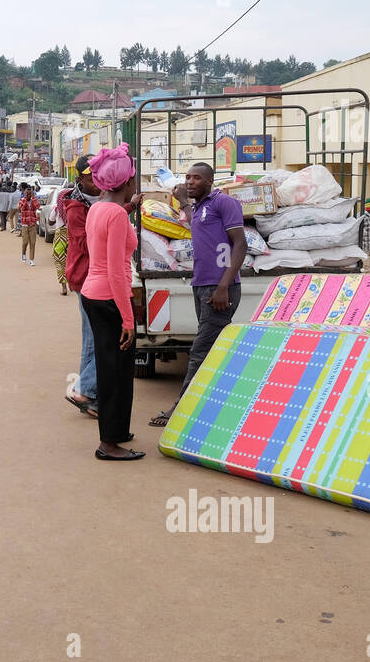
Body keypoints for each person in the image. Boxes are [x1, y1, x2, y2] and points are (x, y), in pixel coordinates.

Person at [152, 161, 246, 429]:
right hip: (201, 285)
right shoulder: (201, 207)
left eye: (196, 178)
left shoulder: (224, 203)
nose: (190, 182)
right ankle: (213, 404)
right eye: (187, 177)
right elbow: (198, 226)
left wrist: (224, 286)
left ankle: (181, 408)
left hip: (220, 288)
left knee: (200, 351)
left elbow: (240, 244)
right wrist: (183, 203)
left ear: (209, 180)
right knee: (213, 350)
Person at [80, 145, 143, 461]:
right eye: (133, 177)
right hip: (110, 298)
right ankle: (109, 443)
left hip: (93, 294)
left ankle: (117, 431)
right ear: (125, 182)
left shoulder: (98, 209)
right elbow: (119, 271)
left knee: (111, 368)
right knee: (117, 372)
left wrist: (129, 208)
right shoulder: (116, 215)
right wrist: (128, 319)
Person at [61, 156, 101, 418]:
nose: (95, 183)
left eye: (97, 177)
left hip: (91, 276)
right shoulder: (76, 207)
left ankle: (89, 396)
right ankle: (83, 388)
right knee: (102, 339)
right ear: (80, 180)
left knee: (91, 339)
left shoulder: (95, 200)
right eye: (90, 179)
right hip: (85, 277)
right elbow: (86, 244)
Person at [18, 183, 40, 266]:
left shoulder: (34, 200)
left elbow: (38, 206)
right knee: (25, 242)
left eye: (30, 193)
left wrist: (33, 198)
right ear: (24, 193)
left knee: (33, 242)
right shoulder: (22, 200)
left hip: (33, 224)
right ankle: (23, 254)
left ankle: (31, 259)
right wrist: (25, 200)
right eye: (27, 193)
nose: (28, 195)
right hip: (25, 224)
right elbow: (22, 209)